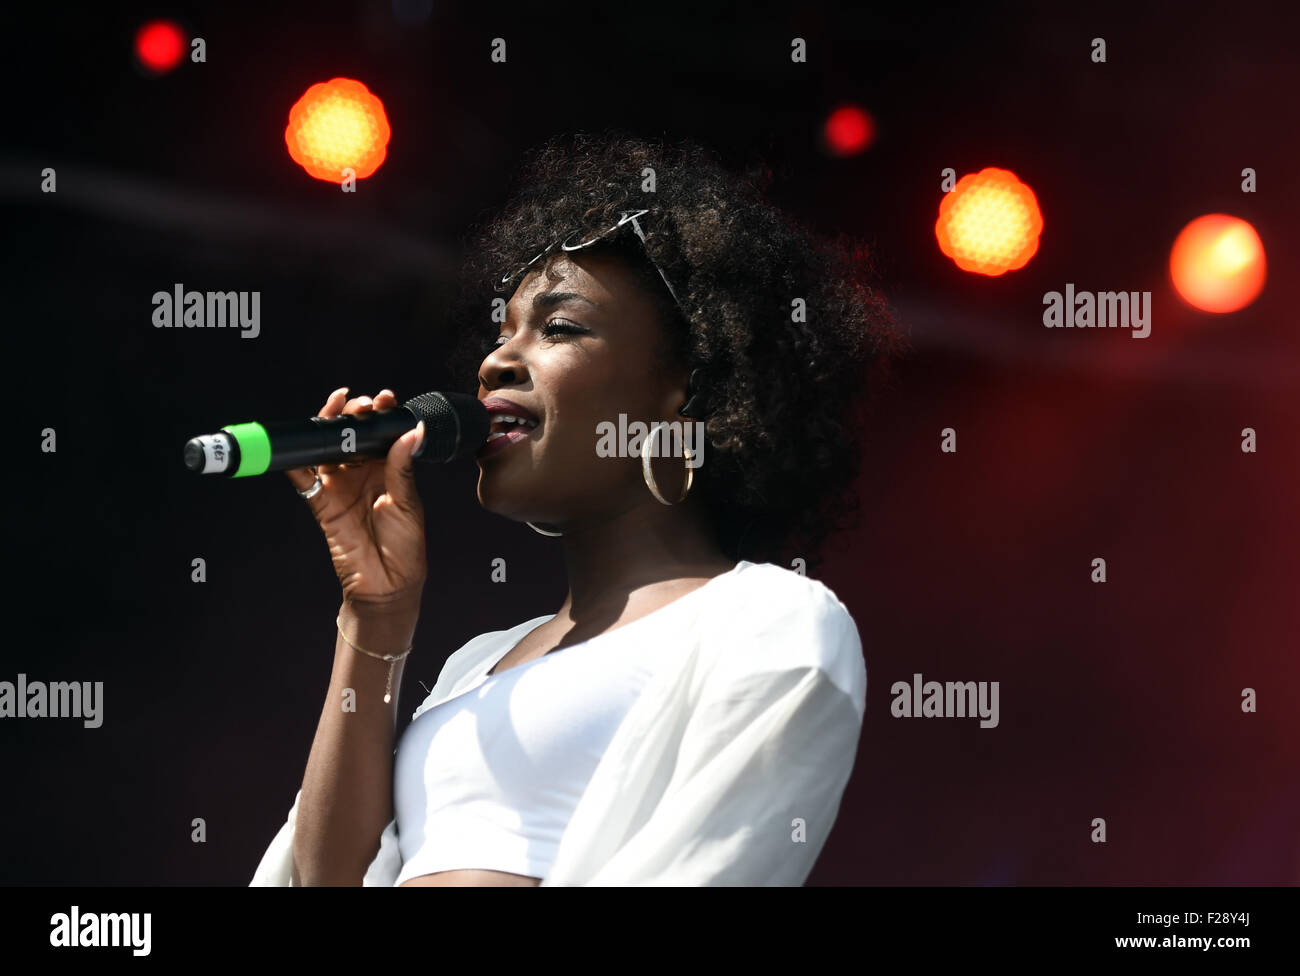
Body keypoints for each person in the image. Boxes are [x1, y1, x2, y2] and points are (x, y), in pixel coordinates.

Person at [250, 130, 904, 886]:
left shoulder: (772, 623)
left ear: (682, 391)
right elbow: (327, 878)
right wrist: (376, 614)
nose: (496, 361)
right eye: (504, 331)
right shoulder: (475, 664)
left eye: (560, 328)